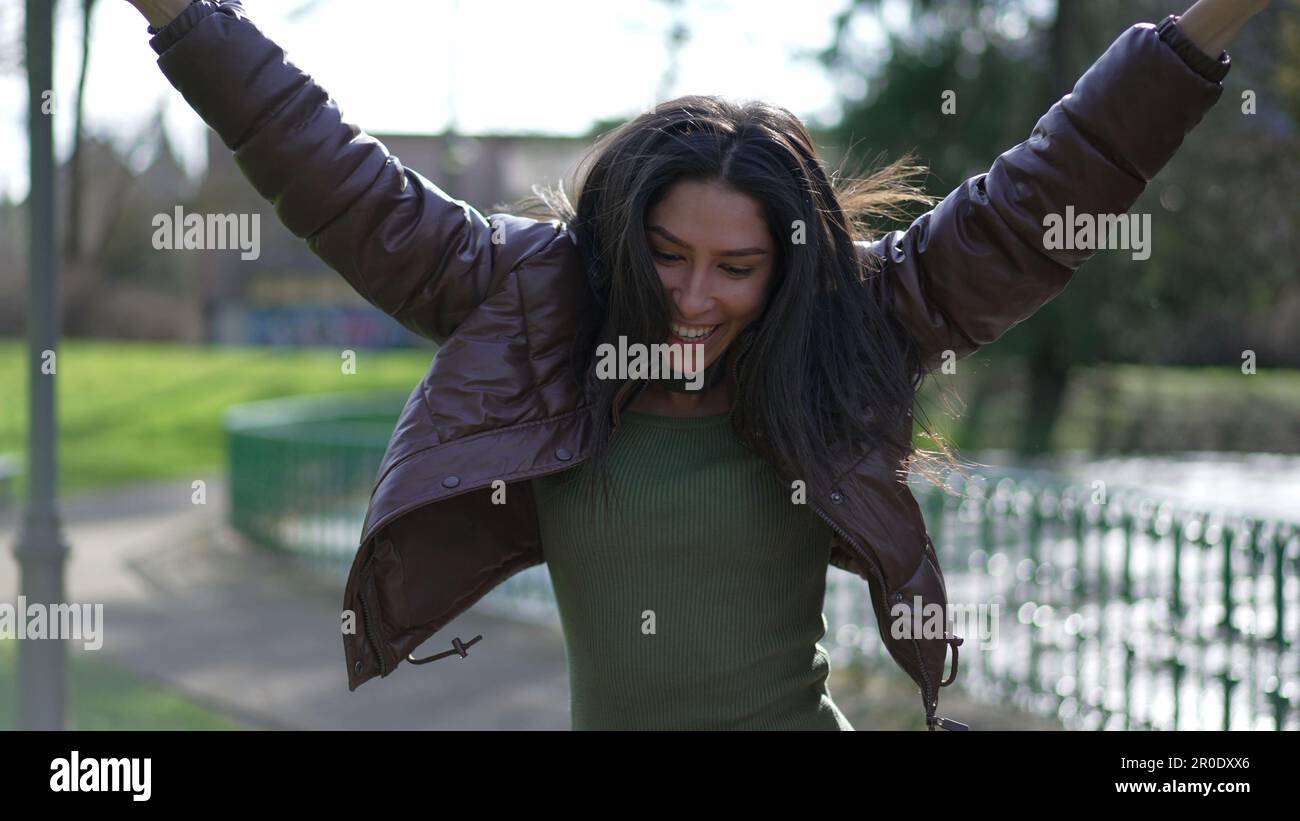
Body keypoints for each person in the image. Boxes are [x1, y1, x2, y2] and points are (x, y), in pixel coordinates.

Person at [123, 0, 1270, 730]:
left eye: (737, 267)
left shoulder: (853, 325)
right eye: (667, 255)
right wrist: (184, 19)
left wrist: (1204, 25)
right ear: (624, 239)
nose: (695, 293)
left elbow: (1037, 198)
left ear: (788, 268)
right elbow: (335, 179)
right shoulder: (540, 317)